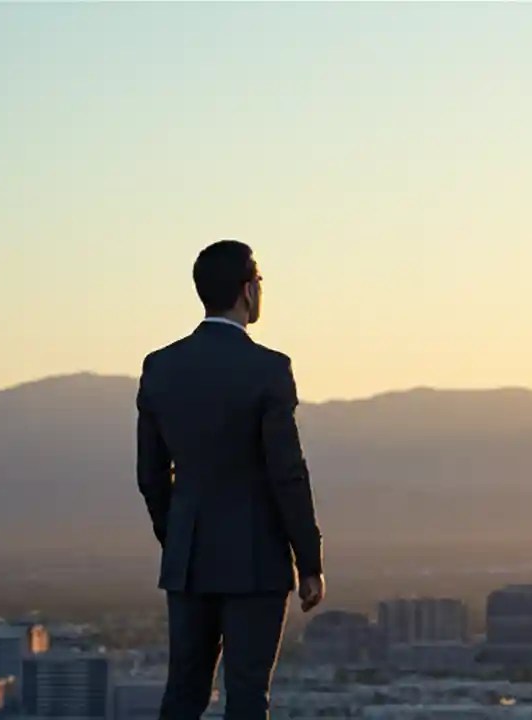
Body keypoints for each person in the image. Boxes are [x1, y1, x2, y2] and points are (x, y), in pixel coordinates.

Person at [135, 240, 325, 719]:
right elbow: (287, 474)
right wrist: (309, 560)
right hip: (256, 558)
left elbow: (150, 475)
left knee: (183, 692)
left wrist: (176, 535)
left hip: (189, 557)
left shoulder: (161, 367)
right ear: (246, 291)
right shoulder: (268, 370)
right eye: (259, 281)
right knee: (246, 696)